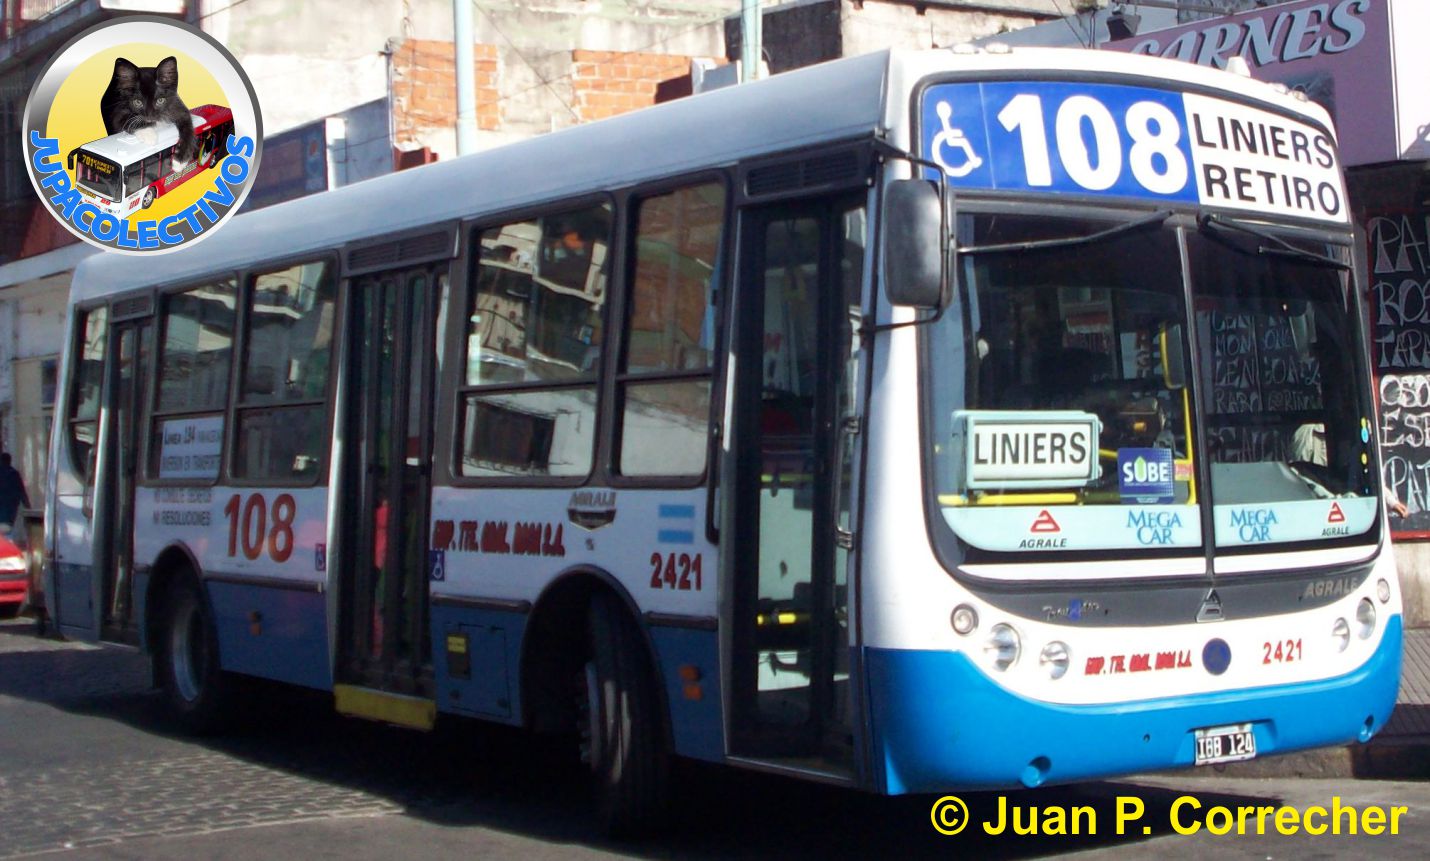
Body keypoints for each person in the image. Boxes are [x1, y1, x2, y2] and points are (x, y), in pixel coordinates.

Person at [0, 452, 30, 535]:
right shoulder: (14, 474)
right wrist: (28, 506)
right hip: (10, 509)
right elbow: (21, 491)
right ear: (9, 461)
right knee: (7, 530)